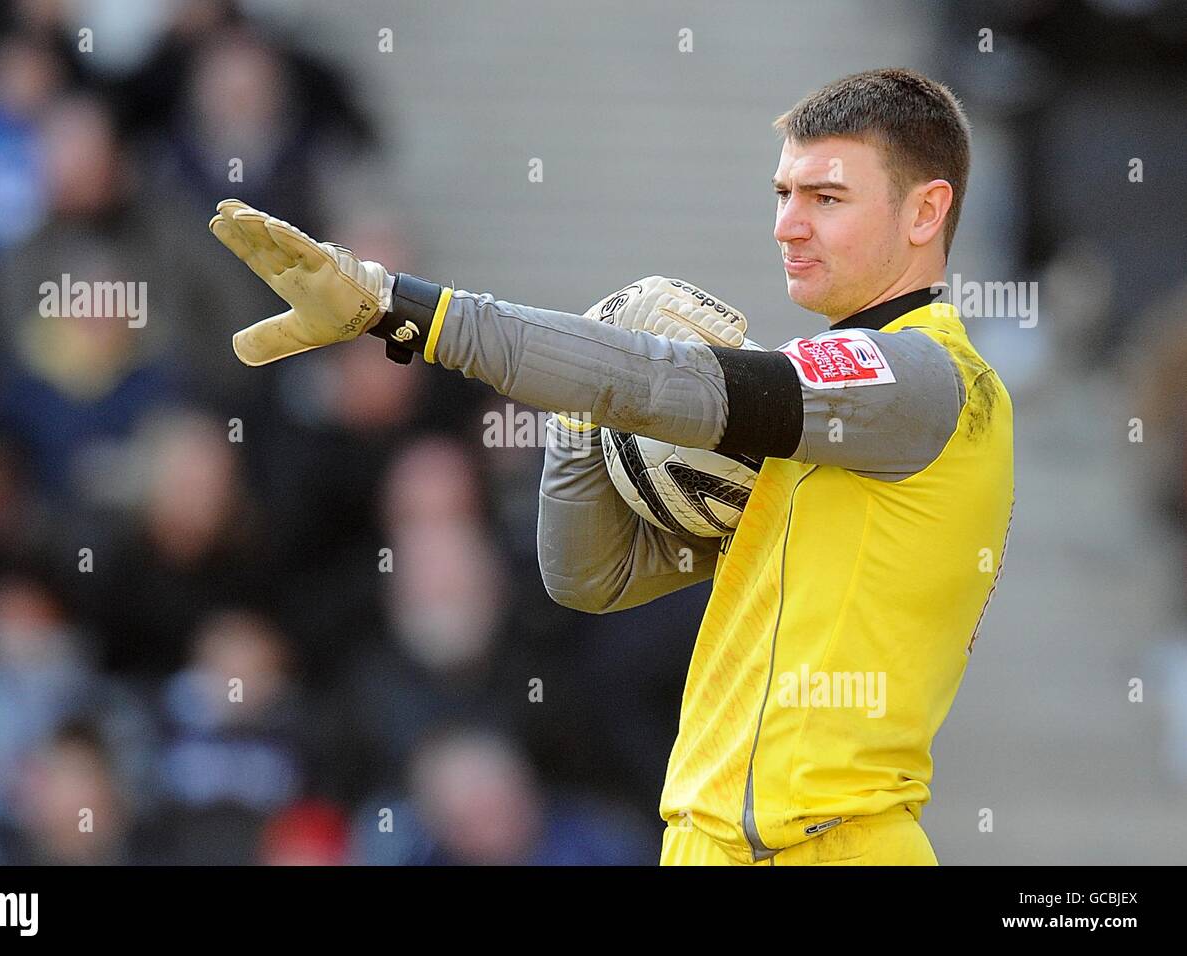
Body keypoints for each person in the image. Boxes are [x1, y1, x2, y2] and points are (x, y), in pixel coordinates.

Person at [206, 68, 1013, 866]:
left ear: (925, 211)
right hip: (717, 843)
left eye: (825, 198)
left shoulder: (927, 380)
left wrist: (394, 308)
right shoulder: (834, 422)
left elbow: (670, 383)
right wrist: (579, 398)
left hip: (824, 847)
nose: (787, 226)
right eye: (783, 195)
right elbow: (588, 575)